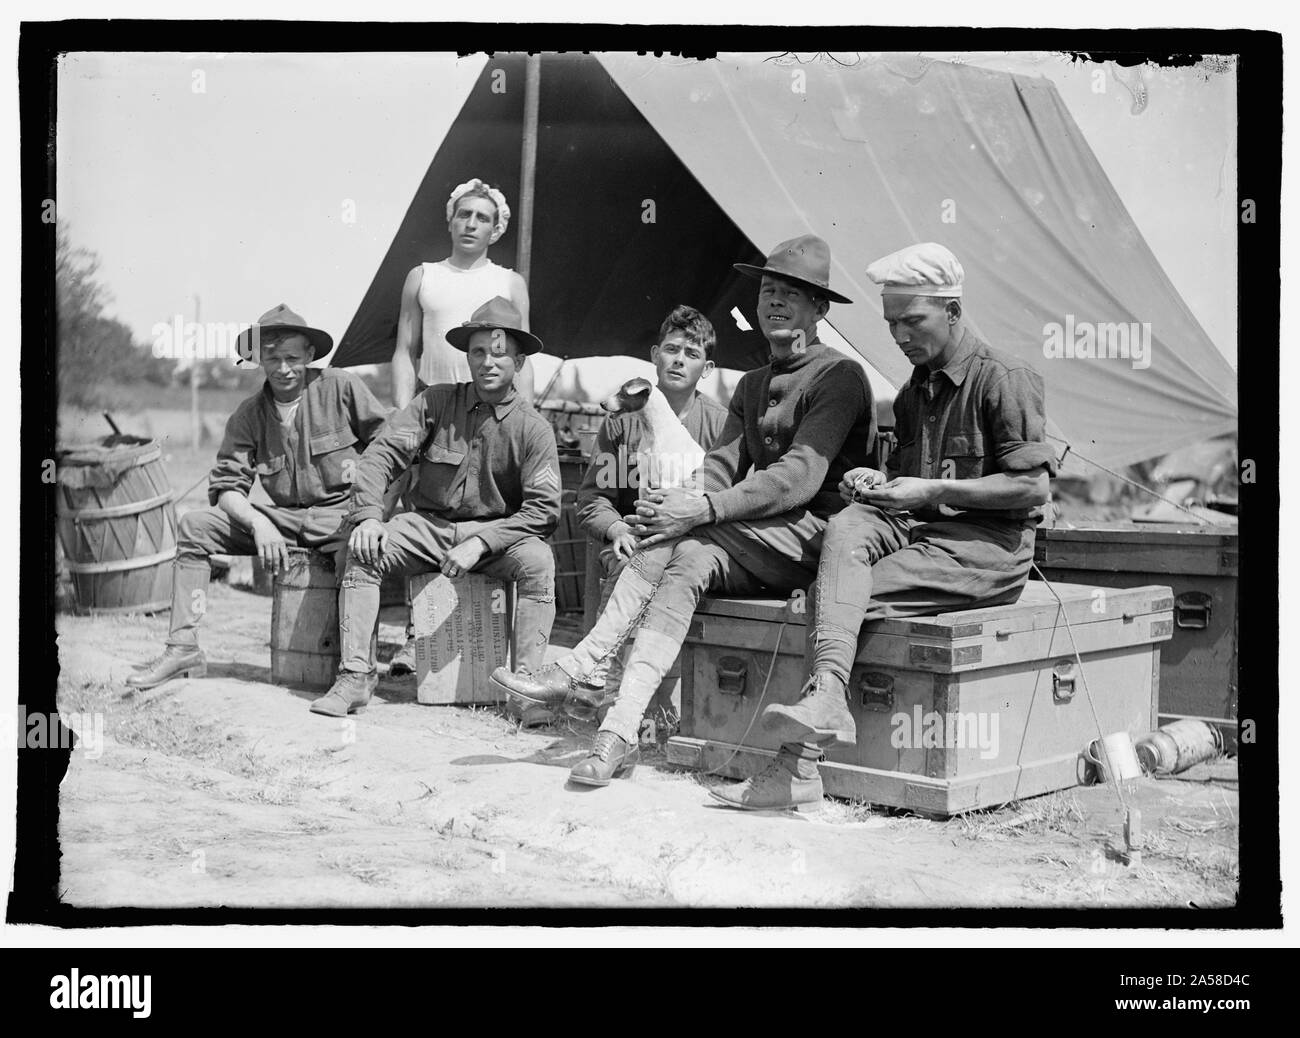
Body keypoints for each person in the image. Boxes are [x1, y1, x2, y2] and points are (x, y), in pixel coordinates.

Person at [494, 235, 875, 788]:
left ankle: (580, 666)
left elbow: (798, 477)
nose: (774, 301)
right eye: (769, 289)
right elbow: (721, 465)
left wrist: (700, 507)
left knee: (680, 535)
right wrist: (677, 504)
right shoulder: (753, 383)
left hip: (816, 539)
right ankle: (619, 735)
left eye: (792, 293)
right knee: (683, 558)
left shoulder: (838, 377)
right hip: (758, 537)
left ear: (819, 309)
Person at [723, 242, 1058, 811]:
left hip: (988, 551)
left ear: (952, 311)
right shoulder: (911, 394)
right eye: (890, 323)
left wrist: (931, 490)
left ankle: (798, 765)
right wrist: (874, 483)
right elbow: (907, 485)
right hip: (923, 536)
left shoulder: (1004, 378)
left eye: (912, 320)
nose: (900, 335)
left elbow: (1033, 489)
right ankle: (827, 699)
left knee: (831, 598)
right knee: (849, 524)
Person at [311, 297, 560, 718]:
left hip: (497, 539)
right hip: (429, 527)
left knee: (539, 562)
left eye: (499, 354)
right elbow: (380, 456)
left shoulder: (533, 429)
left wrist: (481, 543)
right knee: (363, 550)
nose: (488, 362)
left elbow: (543, 511)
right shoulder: (435, 404)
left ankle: (526, 689)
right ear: (467, 357)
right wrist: (370, 516)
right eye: (478, 352)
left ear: (519, 361)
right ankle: (356, 677)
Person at [127, 305, 391, 691]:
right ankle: (183, 648)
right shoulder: (249, 414)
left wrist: (374, 513)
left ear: (309, 356)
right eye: (272, 358)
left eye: (292, 358)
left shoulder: (342, 389)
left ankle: (356, 671)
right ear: (258, 360)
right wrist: (259, 522)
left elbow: (390, 451)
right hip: (282, 523)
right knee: (194, 526)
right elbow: (227, 489)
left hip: (342, 519)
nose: (283, 368)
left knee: (358, 553)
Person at [387, 177, 534, 677]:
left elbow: (523, 358)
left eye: (483, 218)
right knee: (426, 521)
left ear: (497, 229)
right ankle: (414, 640)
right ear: (450, 220)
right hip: (434, 415)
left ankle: (488, 653)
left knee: (486, 525)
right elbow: (405, 350)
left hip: (492, 418)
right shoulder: (422, 276)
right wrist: (403, 417)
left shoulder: (509, 282)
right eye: (464, 215)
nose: (472, 224)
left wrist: (523, 420)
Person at [564, 304, 729, 722]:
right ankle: (605, 689)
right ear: (654, 355)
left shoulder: (720, 425)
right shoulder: (621, 423)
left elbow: (728, 493)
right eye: (671, 349)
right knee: (628, 561)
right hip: (634, 537)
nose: (678, 360)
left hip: (693, 543)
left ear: (706, 368)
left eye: (691, 354)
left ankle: (646, 703)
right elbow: (592, 498)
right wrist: (615, 527)